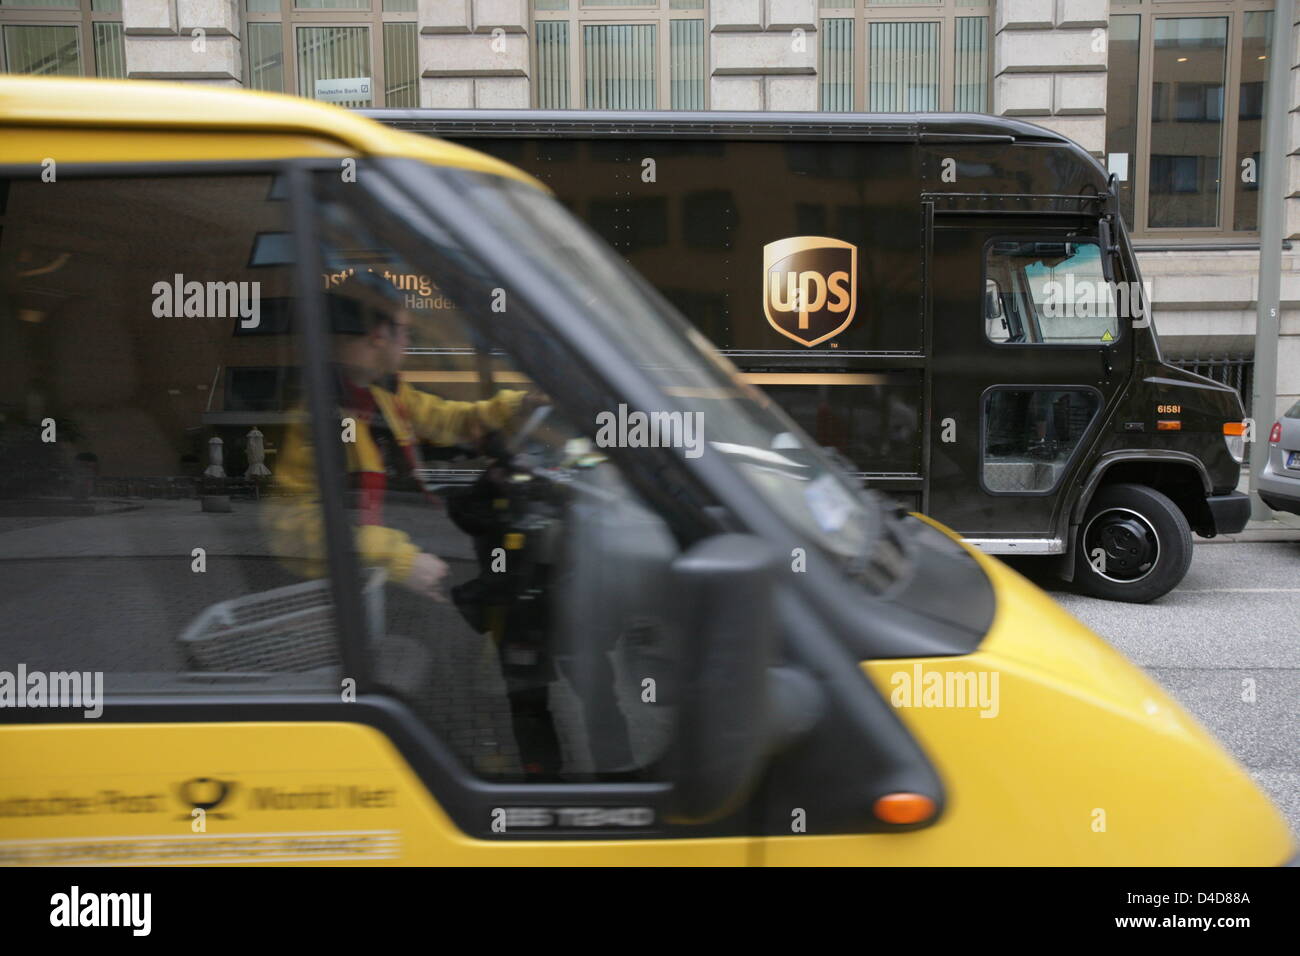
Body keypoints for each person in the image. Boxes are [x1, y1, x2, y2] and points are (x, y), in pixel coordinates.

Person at [264, 270, 528, 601]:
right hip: (362, 591)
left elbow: (448, 420)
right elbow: (290, 529)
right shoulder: (317, 412)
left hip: (398, 563)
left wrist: (518, 405)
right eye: (404, 331)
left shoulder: (384, 394)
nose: (407, 341)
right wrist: (397, 559)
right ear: (378, 335)